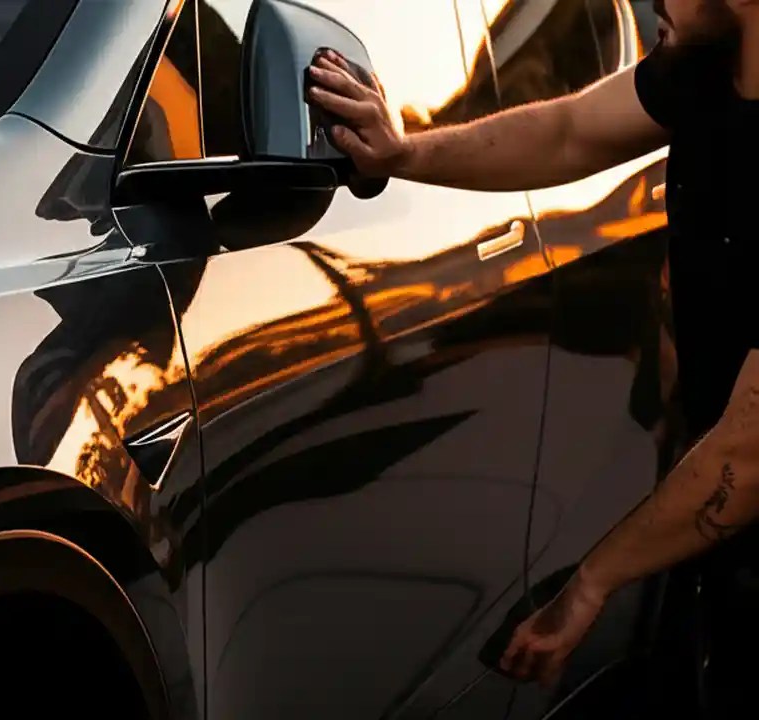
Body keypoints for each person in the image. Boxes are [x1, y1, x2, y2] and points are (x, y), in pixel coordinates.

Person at [305, 0, 759, 691]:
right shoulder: (703, 73)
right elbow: (568, 131)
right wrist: (403, 153)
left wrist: (590, 584)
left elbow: (750, 449)